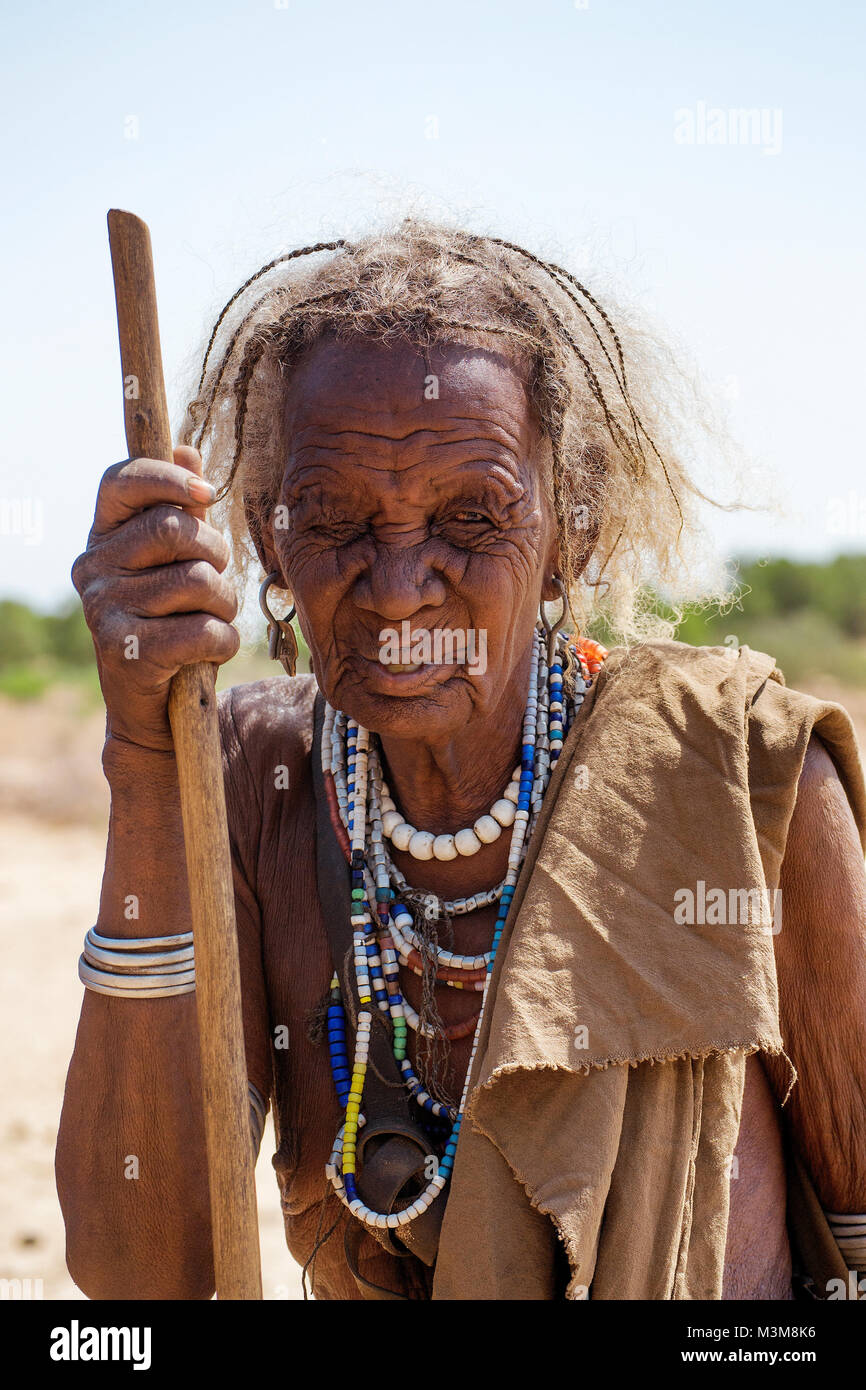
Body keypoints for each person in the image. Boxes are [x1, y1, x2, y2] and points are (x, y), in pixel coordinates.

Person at [57, 223, 866, 1300]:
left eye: (469, 517)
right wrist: (147, 756)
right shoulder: (255, 780)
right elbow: (140, 1280)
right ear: (267, 533)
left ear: (567, 537)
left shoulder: (742, 777)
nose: (397, 588)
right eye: (336, 518)